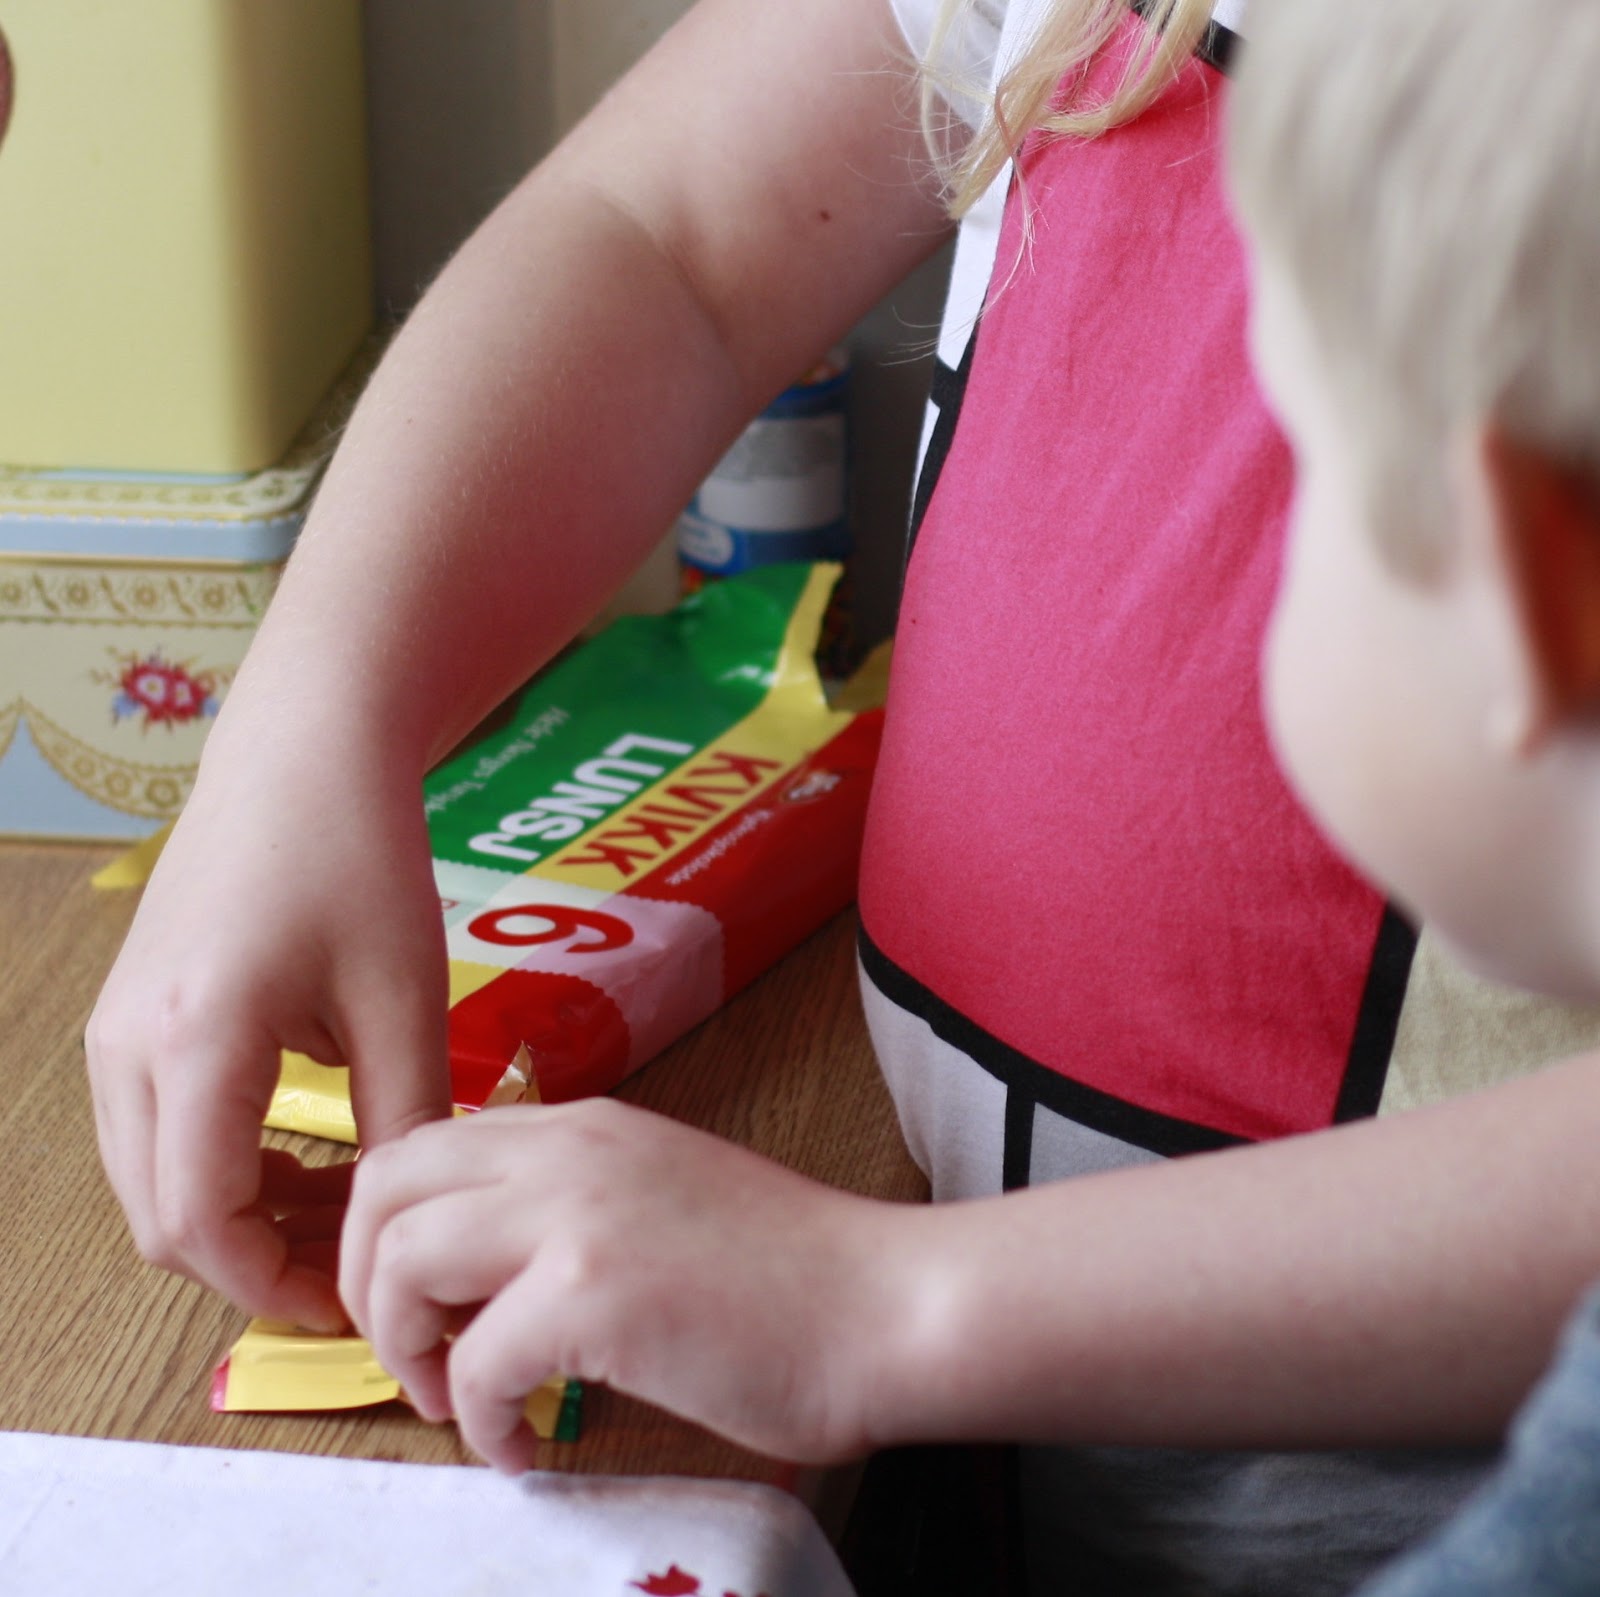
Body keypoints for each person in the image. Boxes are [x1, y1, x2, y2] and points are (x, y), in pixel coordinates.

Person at [84, 0, 1600, 1592]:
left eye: (1290, 480)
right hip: (1008, 1443)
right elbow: (668, 225)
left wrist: (890, 1305)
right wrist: (305, 723)